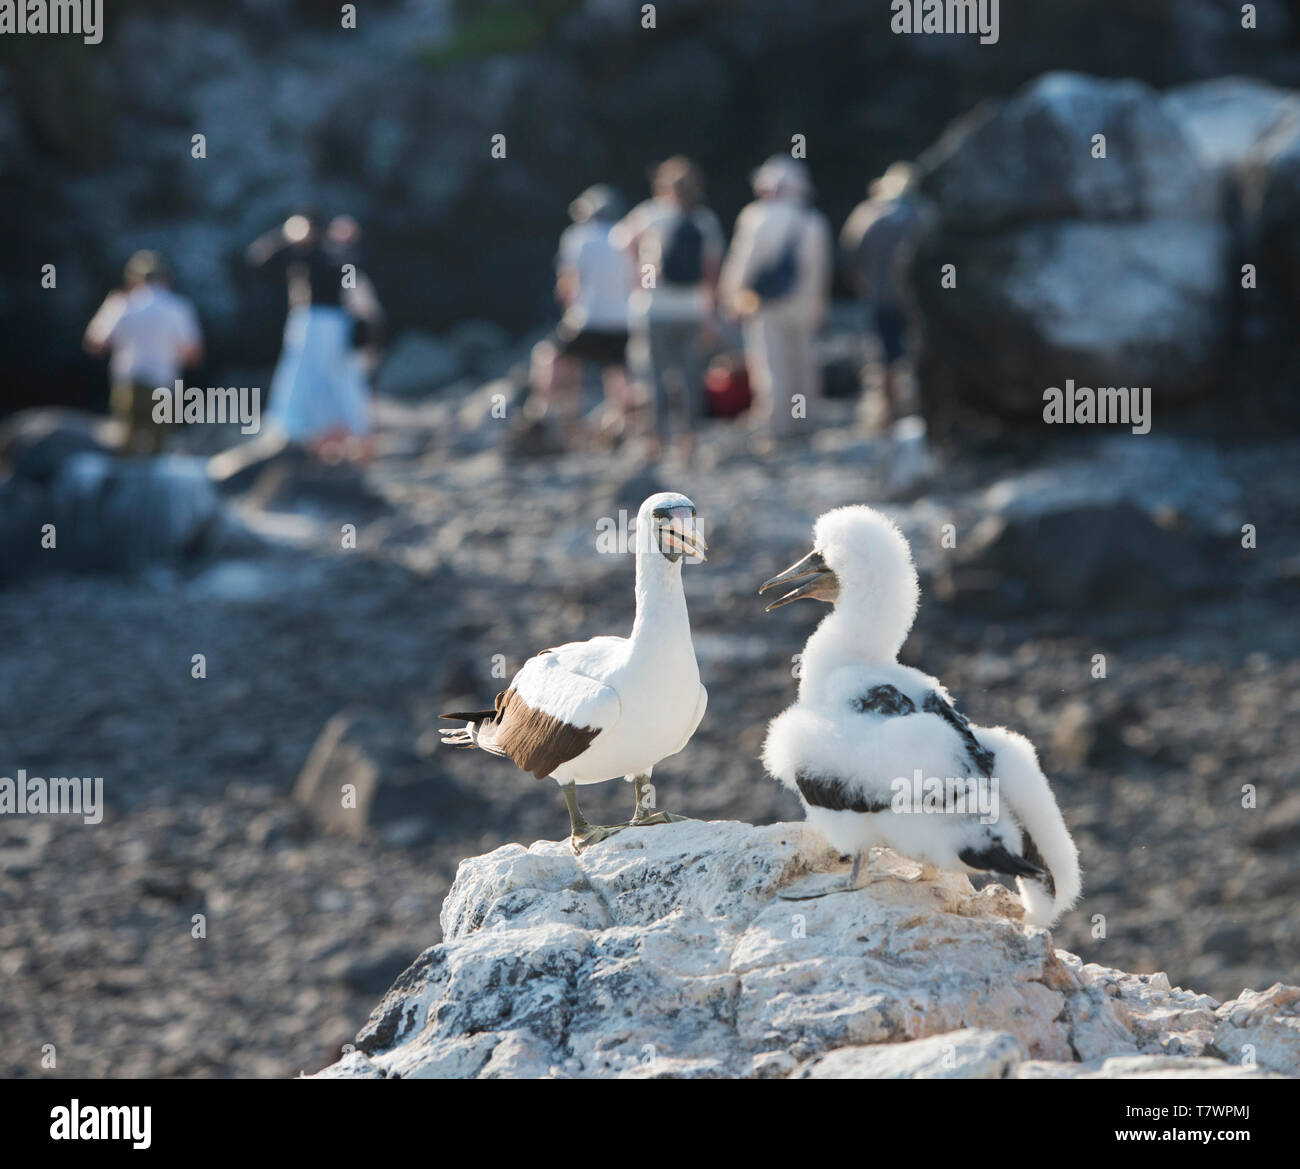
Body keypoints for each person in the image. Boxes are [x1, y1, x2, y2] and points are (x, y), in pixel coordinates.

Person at [613, 157, 724, 460]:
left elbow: (620, 242)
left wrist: (640, 272)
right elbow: (710, 272)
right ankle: (688, 440)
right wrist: (710, 314)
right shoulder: (704, 220)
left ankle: (656, 440)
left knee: (654, 376)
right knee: (689, 377)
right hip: (691, 309)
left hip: (655, 308)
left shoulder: (649, 214)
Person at [719, 156, 832, 446]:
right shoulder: (813, 221)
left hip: (765, 306)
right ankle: (805, 424)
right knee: (804, 364)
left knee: (771, 365)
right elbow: (820, 271)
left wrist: (731, 299)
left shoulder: (756, 218)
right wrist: (819, 306)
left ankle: (778, 425)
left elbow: (742, 264)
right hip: (804, 307)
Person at [246, 210, 374, 461]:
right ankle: (308, 437)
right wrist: (287, 234)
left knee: (335, 377)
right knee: (305, 376)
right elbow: (259, 259)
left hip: (332, 324)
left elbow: (352, 292)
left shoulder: (346, 260)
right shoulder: (307, 251)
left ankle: (343, 437)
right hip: (310, 321)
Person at [530, 185, 633, 448]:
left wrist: (568, 305)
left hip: (588, 318)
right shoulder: (627, 235)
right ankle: (618, 421)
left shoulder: (578, 236)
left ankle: (550, 413)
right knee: (618, 369)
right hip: (623, 320)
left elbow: (568, 283)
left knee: (553, 356)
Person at [83, 251, 204, 455]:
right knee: (158, 450)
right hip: (163, 385)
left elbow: (95, 344)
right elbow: (193, 354)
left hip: (128, 384)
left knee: (125, 447)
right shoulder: (177, 307)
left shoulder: (121, 304)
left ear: (133, 278)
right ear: (165, 277)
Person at [840, 161, 921, 426]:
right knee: (916, 353)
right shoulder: (923, 215)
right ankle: (919, 411)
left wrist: (863, 285)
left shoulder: (867, 215)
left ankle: (889, 411)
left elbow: (850, 256)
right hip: (915, 301)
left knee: (885, 356)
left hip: (879, 296)